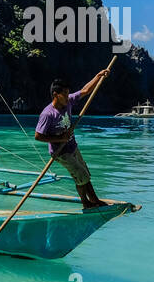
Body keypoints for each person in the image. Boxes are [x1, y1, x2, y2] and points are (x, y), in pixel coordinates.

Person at [34, 69, 110, 209]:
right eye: (65, 94)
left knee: (85, 174)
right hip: (60, 152)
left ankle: (91, 201)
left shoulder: (68, 102)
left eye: (68, 93)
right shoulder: (48, 114)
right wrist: (59, 139)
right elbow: (38, 136)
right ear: (55, 95)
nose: (67, 97)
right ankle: (88, 202)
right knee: (81, 175)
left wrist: (97, 76)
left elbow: (85, 91)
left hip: (72, 146)